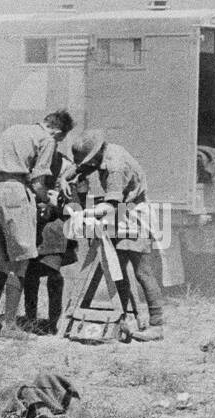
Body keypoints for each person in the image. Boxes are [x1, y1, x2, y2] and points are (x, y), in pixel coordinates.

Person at [69, 130, 164, 341]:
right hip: (123, 214)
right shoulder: (106, 155)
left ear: (95, 154)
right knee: (117, 270)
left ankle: (157, 325)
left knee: (142, 272)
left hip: (135, 215)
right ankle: (123, 319)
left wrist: (85, 212)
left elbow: (112, 205)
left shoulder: (114, 165)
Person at [0, 116, 60, 339]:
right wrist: (47, 200)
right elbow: (37, 182)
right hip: (14, 192)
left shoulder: (14, 128)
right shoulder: (47, 138)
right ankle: (10, 326)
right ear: (57, 130)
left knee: (2, 262)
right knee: (21, 261)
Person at [22, 110, 78, 334]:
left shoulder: (65, 166)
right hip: (30, 222)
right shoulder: (28, 158)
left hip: (53, 226)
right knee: (29, 274)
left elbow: (75, 204)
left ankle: (54, 321)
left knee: (54, 273)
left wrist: (58, 203)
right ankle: (31, 318)